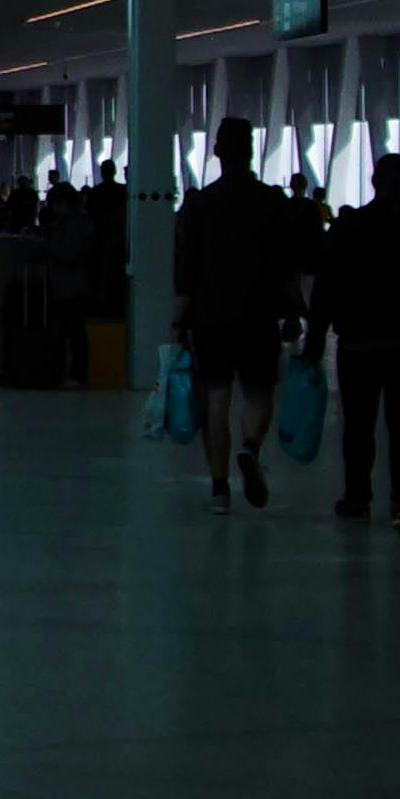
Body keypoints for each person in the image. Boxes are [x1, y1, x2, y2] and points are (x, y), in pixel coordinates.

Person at [171, 115, 298, 510]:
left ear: (217, 152)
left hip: (210, 315)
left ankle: (219, 489)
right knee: (258, 392)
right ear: (251, 151)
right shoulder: (272, 202)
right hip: (258, 313)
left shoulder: (199, 204)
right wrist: (294, 312)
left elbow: (187, 269)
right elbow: (286, 264)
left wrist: (178, 320)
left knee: (216, 396)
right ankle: (250, 448)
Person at [330, 151, 400, 529]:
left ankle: (357, 496)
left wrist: (315, 340)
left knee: (358, 425)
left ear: (374, 182)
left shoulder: (350, 226)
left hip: (358, 344)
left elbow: (329, 282)